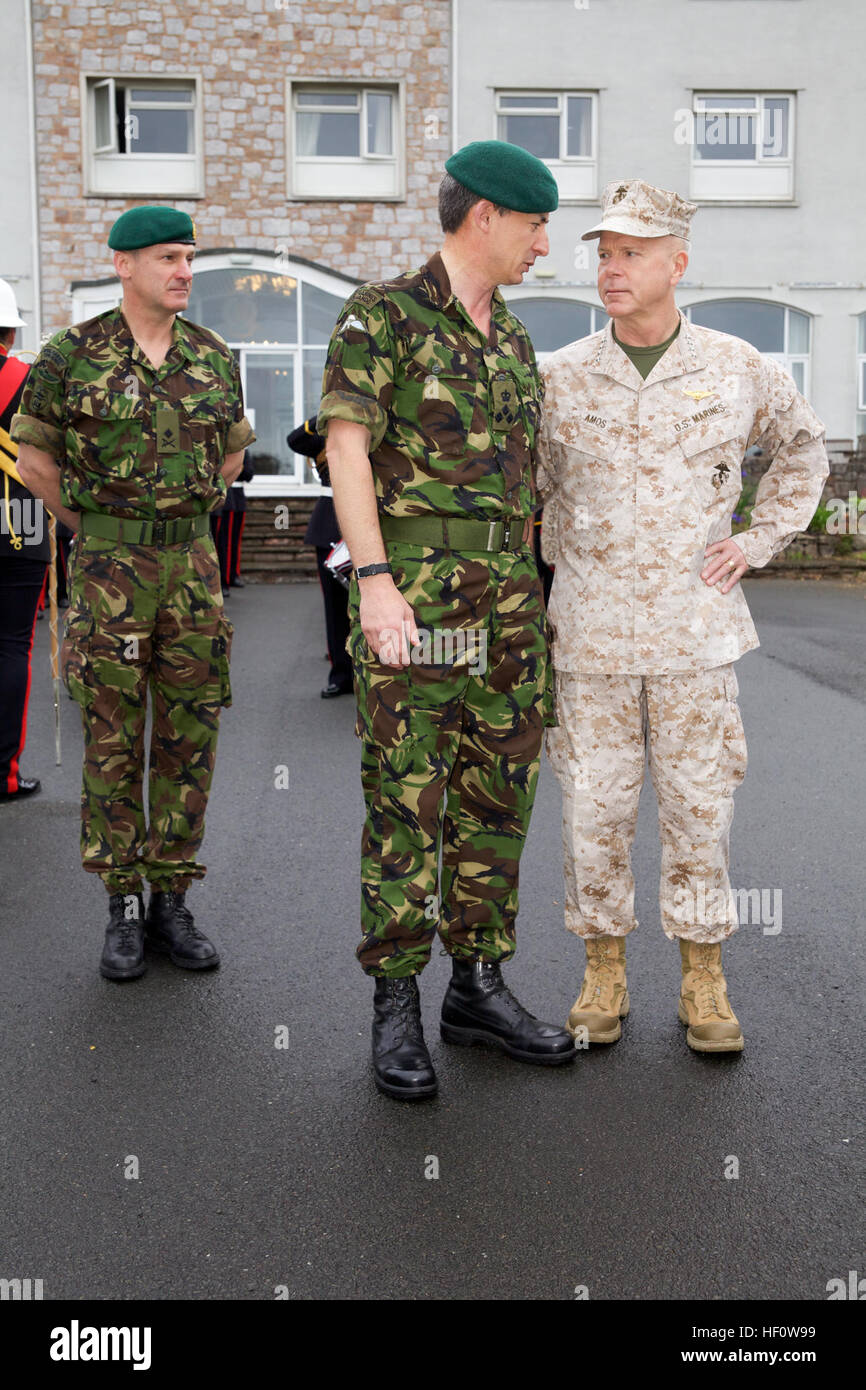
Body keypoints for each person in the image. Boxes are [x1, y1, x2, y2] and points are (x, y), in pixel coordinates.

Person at [538, 179, 829, 1052]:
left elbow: (804, 450)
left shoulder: (738, 369)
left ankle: (704, 977)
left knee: (701, 808)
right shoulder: (558, 378)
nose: (611, 268)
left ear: (678, 262)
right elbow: (530, 492)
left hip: (695, 639)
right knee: (592, 810)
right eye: (603, 253)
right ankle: (603, 967)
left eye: (631, 253)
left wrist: (760, 539)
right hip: (588, 637)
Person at [319, 140, 577, 1100]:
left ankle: (477, 986)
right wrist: (375, 580)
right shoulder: (383, 316)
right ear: (485, 217)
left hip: (510, 606)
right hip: (418, 605)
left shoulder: (510, 337)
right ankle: (396, 1004)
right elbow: (348, 453)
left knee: (497, 799)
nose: (545, 244)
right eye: (536, 224)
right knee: (405, 800)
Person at [13, 206, 255, 980]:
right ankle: (121, 903)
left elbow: (229, 462)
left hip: (189, 573)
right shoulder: (70, 356)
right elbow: (33, 464)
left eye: (188, 256)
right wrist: (94, 527)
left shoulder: (213, 356)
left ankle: (171, 901)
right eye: (165, 258)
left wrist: (177, 524)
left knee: (189, 738)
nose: (183, 270)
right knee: (114, 739)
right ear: (123, 266)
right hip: (108, 574)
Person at [0, 277, 49, 801]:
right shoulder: (29, 377)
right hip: (19, 524)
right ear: (11, 333)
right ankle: (2, 774)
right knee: (12, 647)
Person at [289, 414, 353, 698]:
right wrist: (323, 417)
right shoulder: (326, 432)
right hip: (330, 520)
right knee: (335, 608)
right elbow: (295, 440)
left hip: (373, 521)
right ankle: (341, 673)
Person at [212, 448, 253, 595]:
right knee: (220, 543)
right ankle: (222, 579)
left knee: (231, 543)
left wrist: (237, 467)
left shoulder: (243, 451)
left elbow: (248, 474)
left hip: (235, 499)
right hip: (224, 498)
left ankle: (231, 576)